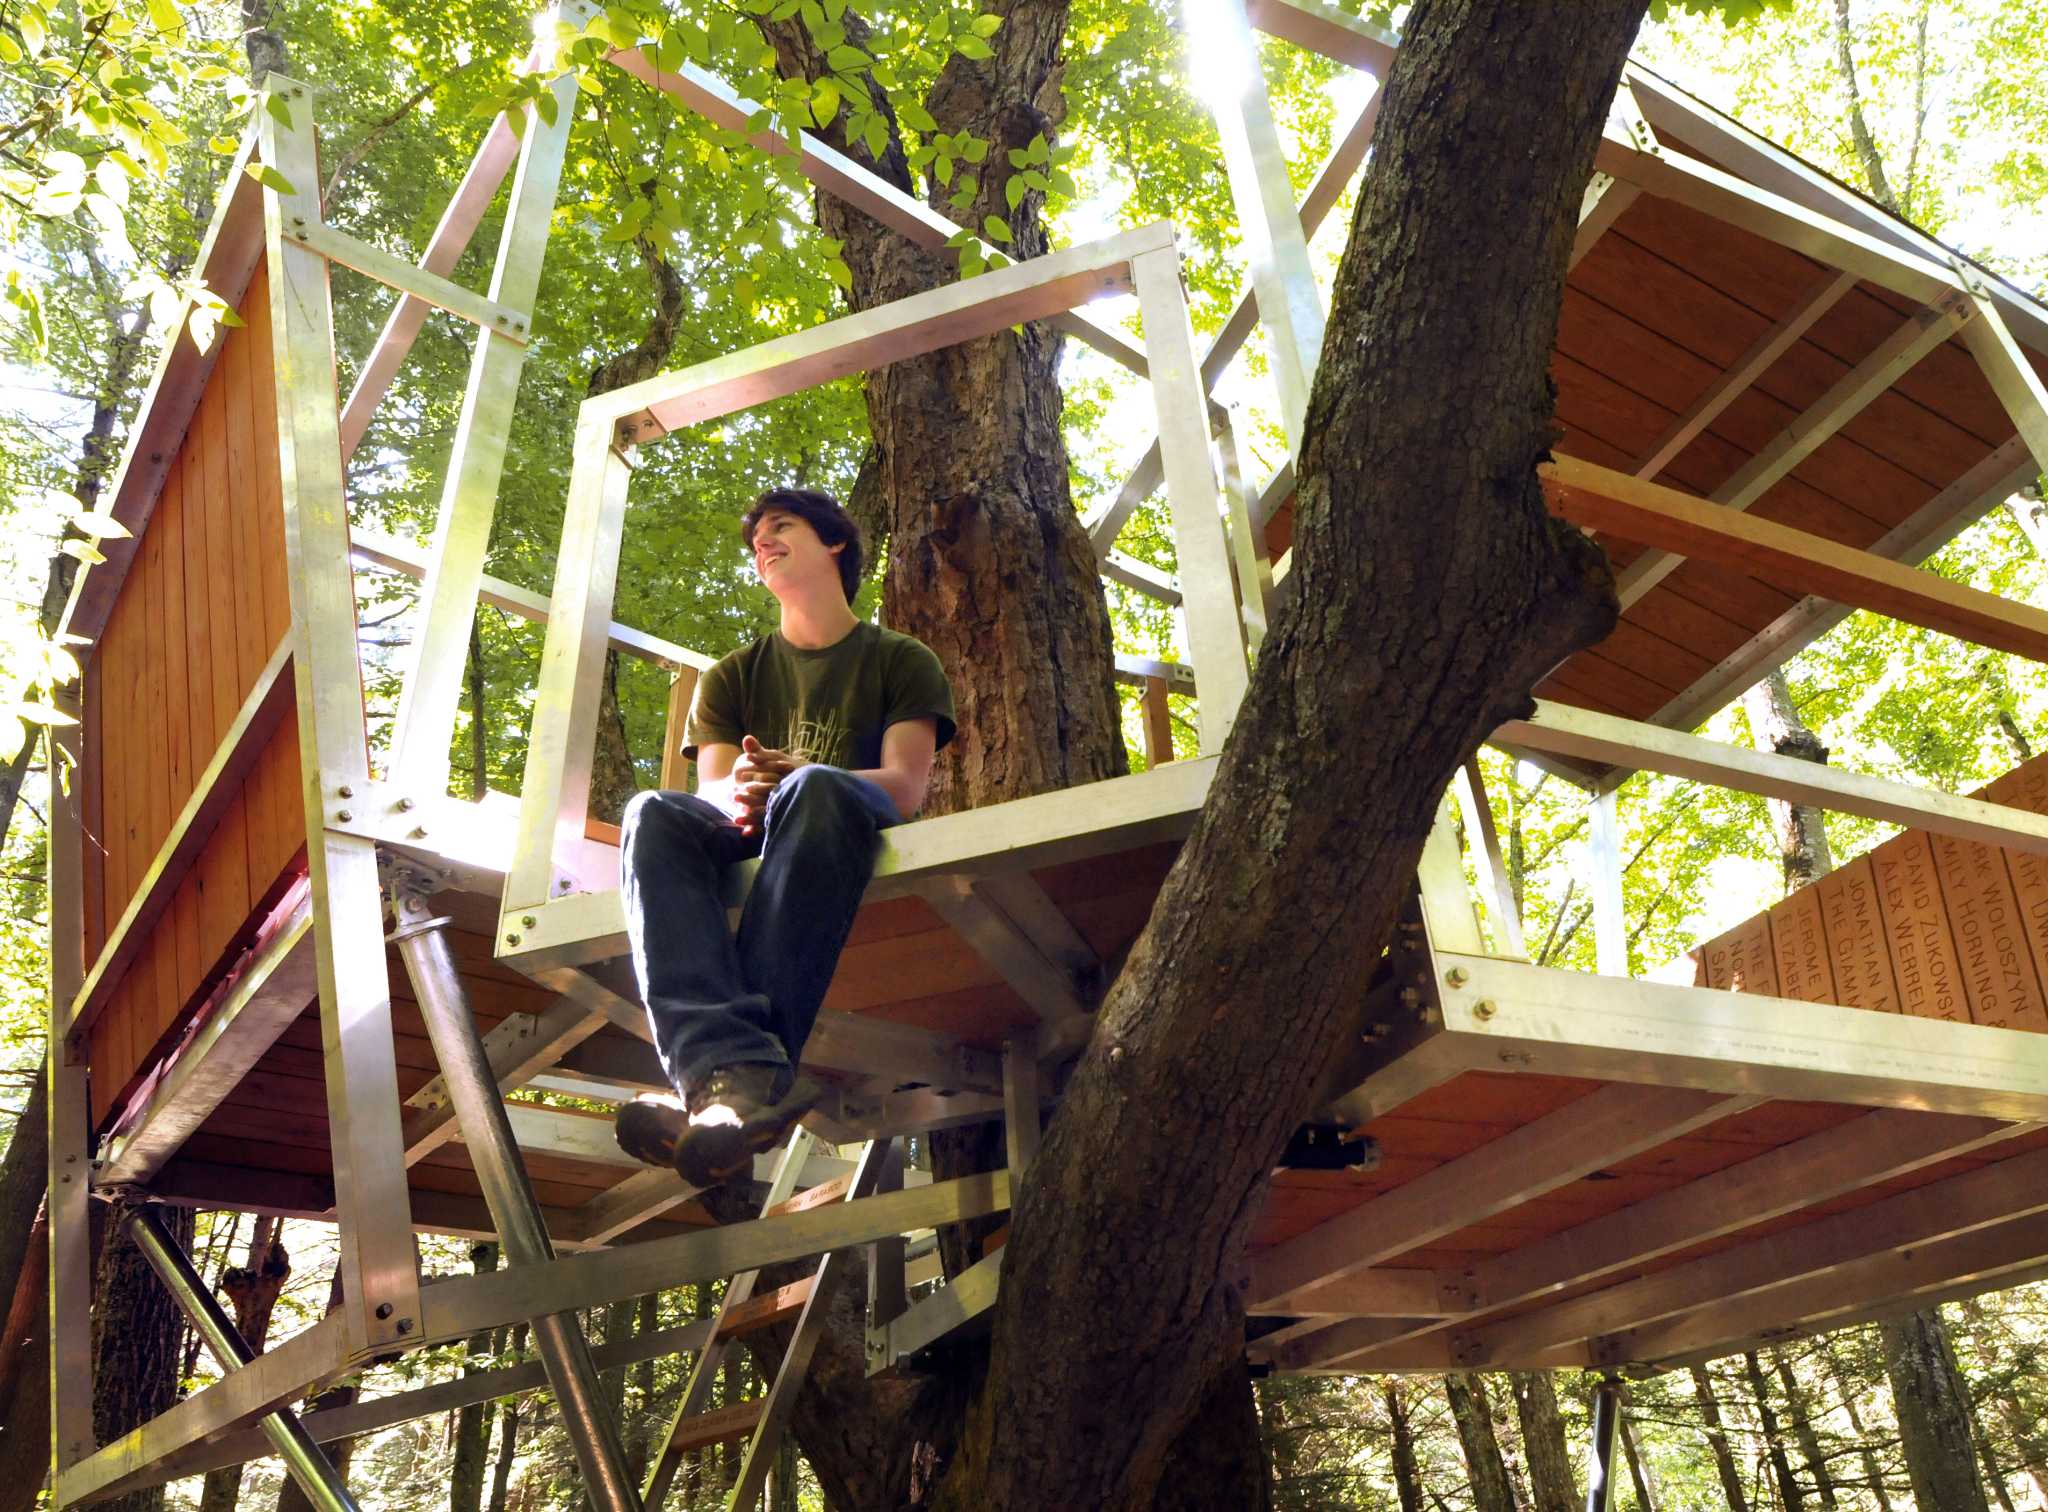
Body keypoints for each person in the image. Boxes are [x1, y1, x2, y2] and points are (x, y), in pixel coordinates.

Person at [613, 487, 956, 1188]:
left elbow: (904, 785)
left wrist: (806, 770)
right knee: (652, 810)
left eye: (781, 526)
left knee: (816, 786)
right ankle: (725, 1083)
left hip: (841, 820)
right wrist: (743, 786)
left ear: (834, 544)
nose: (763, 541)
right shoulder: (732, 675)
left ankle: (723, 1086)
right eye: (756, 539)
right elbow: (709, 792)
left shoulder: (901, 658)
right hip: (753, 826)